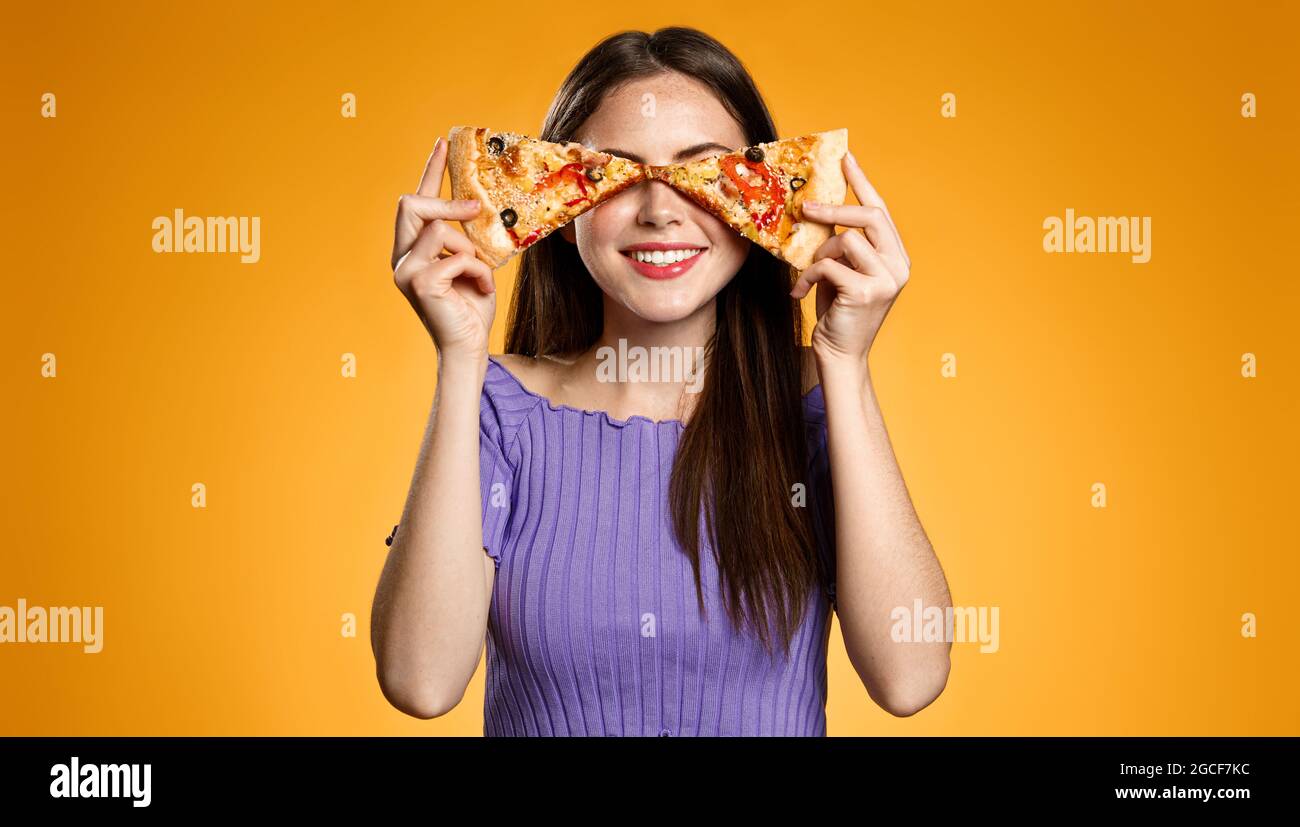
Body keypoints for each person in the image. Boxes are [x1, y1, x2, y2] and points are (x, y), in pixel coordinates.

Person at [370, 26, 951, 736]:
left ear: (765, 200)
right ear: (558, 209)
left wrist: (845, 362)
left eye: (703, 173)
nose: (659, 209)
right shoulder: (500, 407)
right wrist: (459, 355)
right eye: (614, 174)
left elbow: (911, 675)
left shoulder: (811, 402)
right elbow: (419, 681)